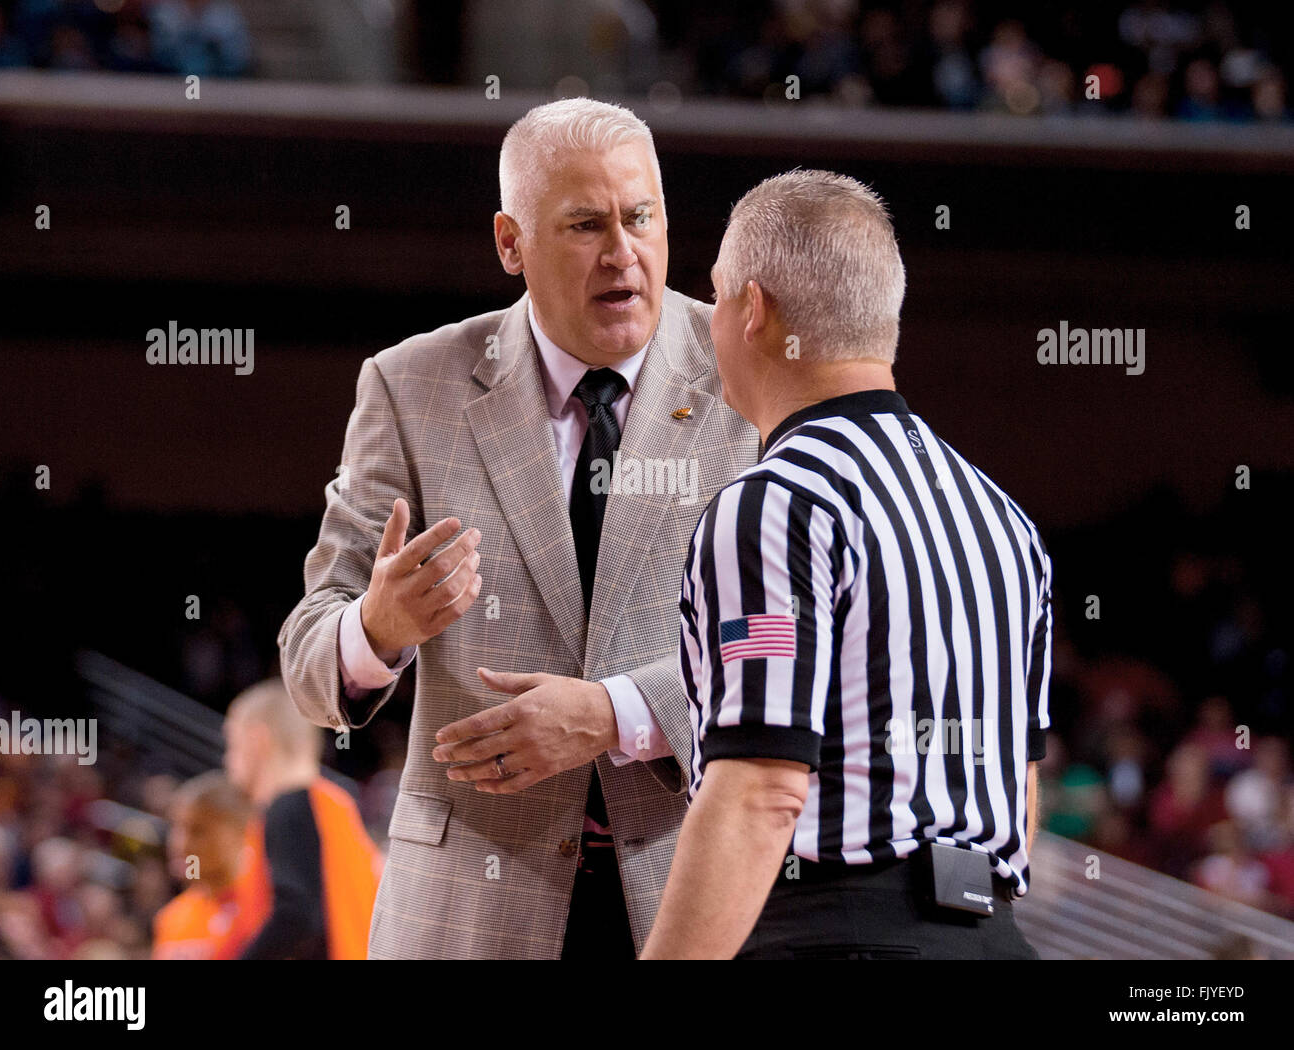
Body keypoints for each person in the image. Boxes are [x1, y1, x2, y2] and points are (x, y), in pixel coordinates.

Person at [276, 97, 760, 958]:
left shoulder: (749, 371)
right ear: (511, 243)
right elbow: (308, 664)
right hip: (469, 916)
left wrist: (618, 713)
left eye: (641, 217)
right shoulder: (410, 385)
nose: (623, 253)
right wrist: (376, 630)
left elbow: (802, 640)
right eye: (584, 225)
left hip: (694, 901)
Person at [643, 170, 1052, 959]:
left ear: (753, 311)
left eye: (718, 298)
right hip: (994, 933)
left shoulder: (776, 501)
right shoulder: (1004, 519)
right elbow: (1019, 786)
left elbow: (761, 789)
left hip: (835, 932)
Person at [222, 679, 383, 960]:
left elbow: (297, 915)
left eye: (231, 743)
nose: (226, 760)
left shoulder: (287, 809)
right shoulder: (336, 803)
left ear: (257, 741)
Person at [151, 770, 267, 959]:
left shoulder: (267, 910)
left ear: (241, 832)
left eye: (198, 831)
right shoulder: (171, 918)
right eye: (176, 827)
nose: (181, 844)